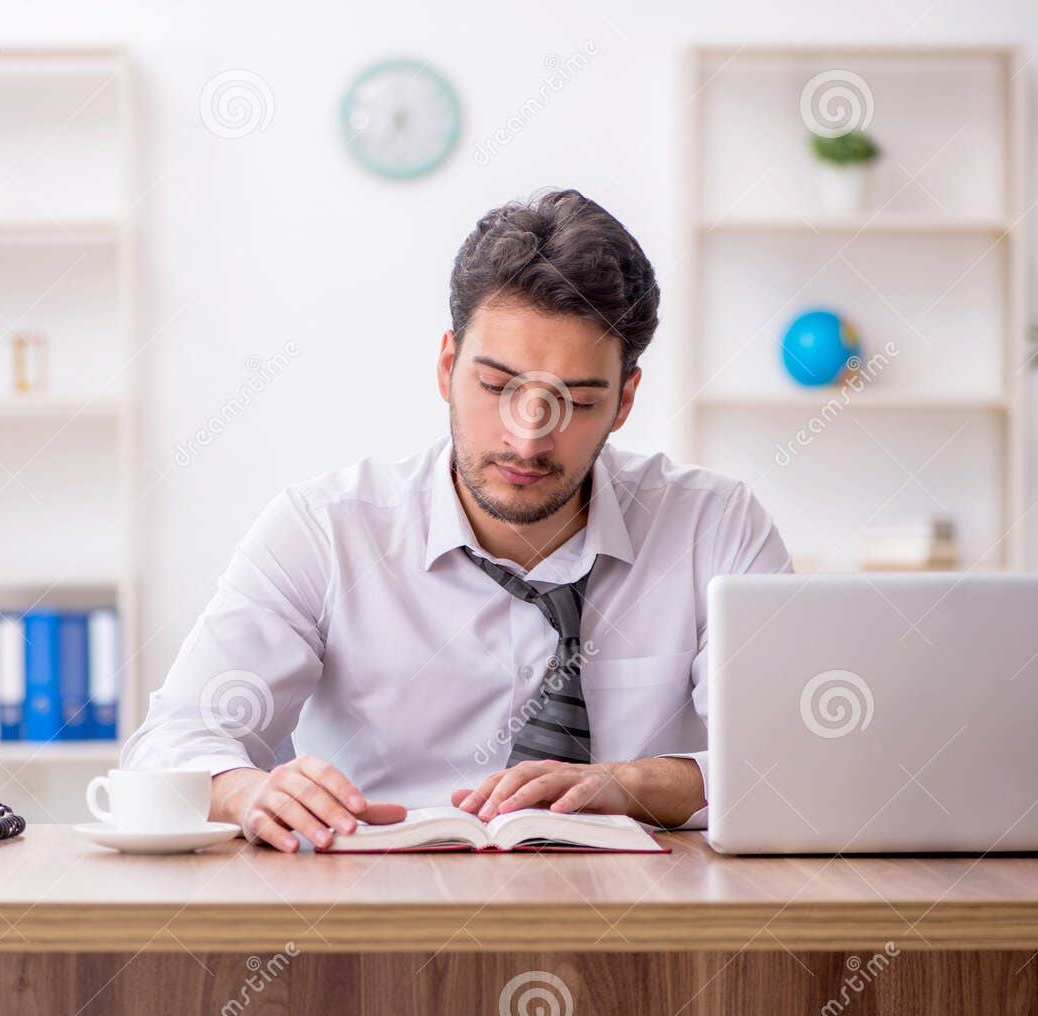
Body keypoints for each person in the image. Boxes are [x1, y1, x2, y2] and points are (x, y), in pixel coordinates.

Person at [120, 188, 791, 851]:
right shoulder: (327, 532)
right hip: (377, 923)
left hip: (638, 933)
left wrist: (636, 784)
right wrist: (245, 790)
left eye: (578, 402)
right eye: (497, 387)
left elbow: (794, 764)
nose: (528, 438)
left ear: (624, 402)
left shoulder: (713, 526)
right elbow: (168, 744)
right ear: (447, 367)